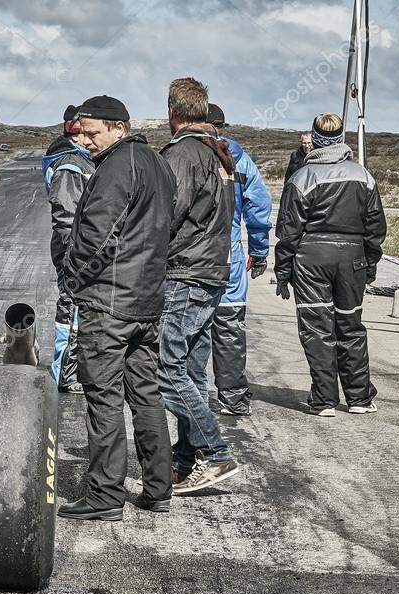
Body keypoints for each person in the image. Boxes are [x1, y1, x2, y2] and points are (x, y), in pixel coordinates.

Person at [57, 95, 176, 521]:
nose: (85, 140)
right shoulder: (157, 163)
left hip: (109, 305)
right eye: (81, 133)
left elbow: (96, 236)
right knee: (146, 394)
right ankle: (158, 488)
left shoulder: (114, 167)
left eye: (93, 133)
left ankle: (105, 495)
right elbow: (166, 227)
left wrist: (71, 279)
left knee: (103, 398)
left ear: (119, 128)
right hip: (146, 301)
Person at [157, 78, 240, 495]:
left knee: (165, 369)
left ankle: (215, 450)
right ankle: (185, 460)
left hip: (185, 272)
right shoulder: (218, 152)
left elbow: (166, 215)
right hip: (212, 271)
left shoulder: (183, 154)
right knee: (191, 370)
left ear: (172, 113)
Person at [275, 113, 387, 416]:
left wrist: (283, 272)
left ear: (315, 140)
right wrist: (370, 263)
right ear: (340, 139)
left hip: (311, 259)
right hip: (352, 259)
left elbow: (288, 232)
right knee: (350, 326)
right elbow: (375, 227)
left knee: (317, 328)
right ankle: (359, 398)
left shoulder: (302, 177)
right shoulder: (362, 175)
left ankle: (324, 400)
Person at [206, 104, 272, 416]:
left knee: (188, 325)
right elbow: (258, 207)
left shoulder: (184, 154)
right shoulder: (239, 158)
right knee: (229, 324)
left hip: (188, 255)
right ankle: (231, 397)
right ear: (223, 124)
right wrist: (259, 251)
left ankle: (185, 394)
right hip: (229, 254)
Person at [42, 105, 95, 394]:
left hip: (81, 246)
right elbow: (65, 218)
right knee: (71, 305)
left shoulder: (81, 161)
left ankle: (76, 367)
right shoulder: (70, 165)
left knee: (80, 306)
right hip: (74, 248)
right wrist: (78, 253)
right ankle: (64, 371)